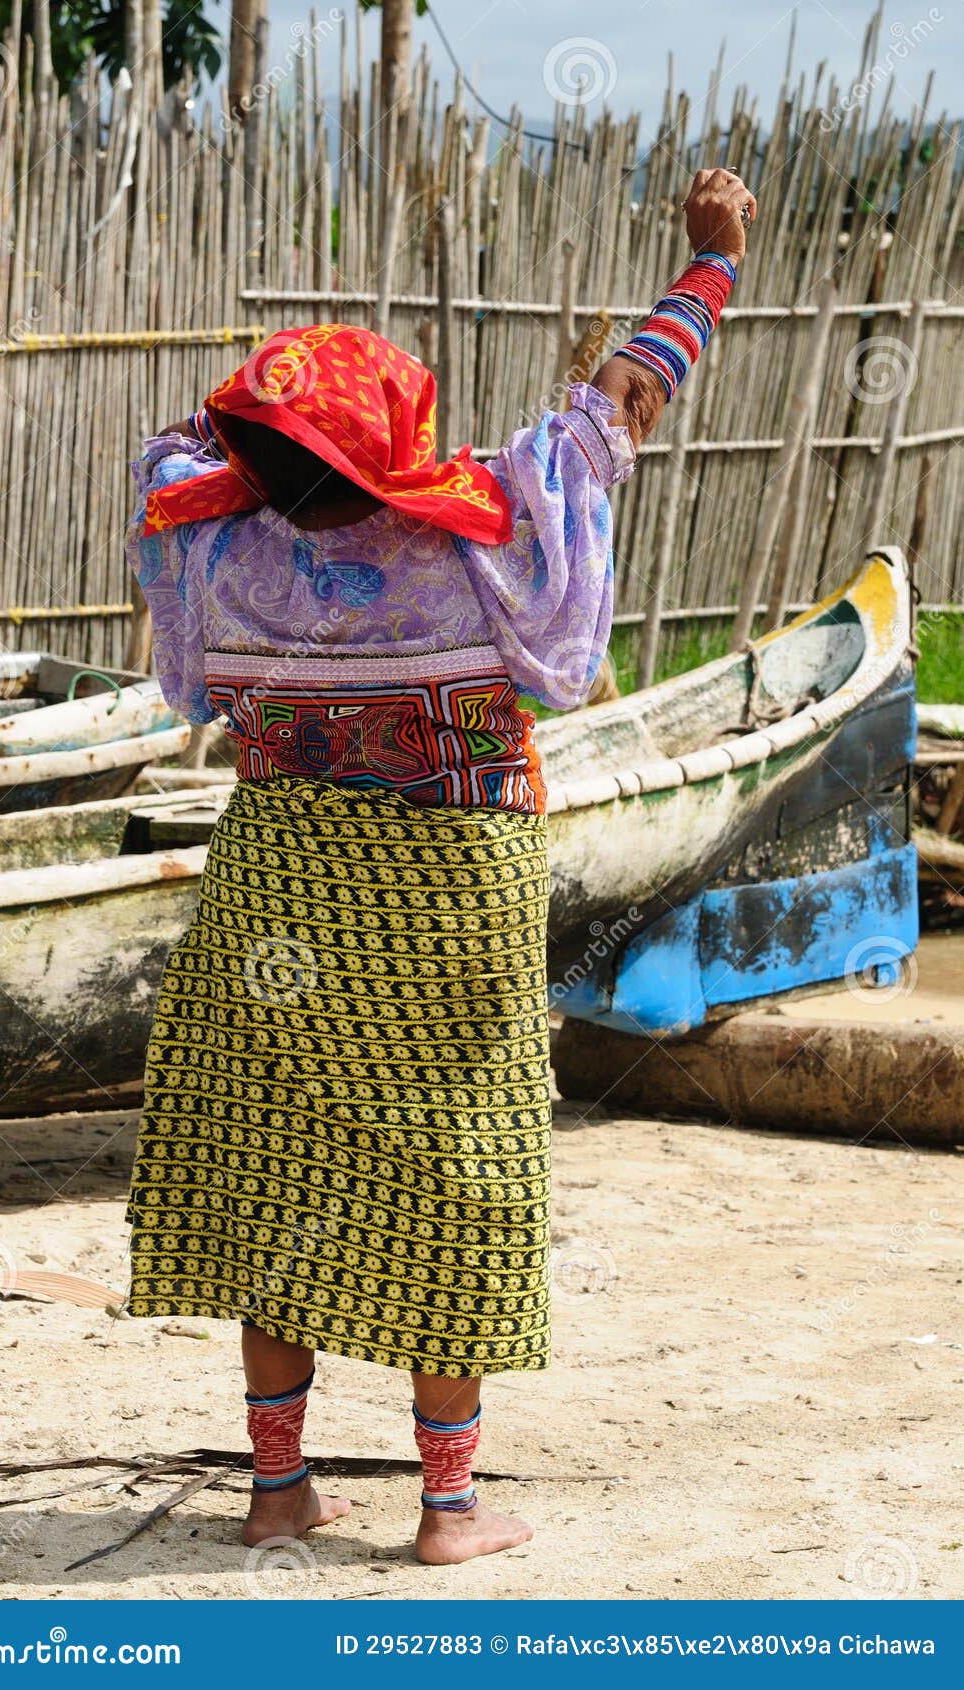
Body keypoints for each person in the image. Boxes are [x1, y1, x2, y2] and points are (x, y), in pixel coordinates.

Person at [124, 169, 756, 1565]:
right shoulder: (488, 533)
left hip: (280, 886)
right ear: (395, 442)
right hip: (448, 891)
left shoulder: (217, 546)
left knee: (283, 1156)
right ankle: (449, 1512)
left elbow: (172, 451)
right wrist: (708, 266)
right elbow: (623, 403)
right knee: (456, 1163)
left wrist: (254, 448)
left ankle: (280, 1486)